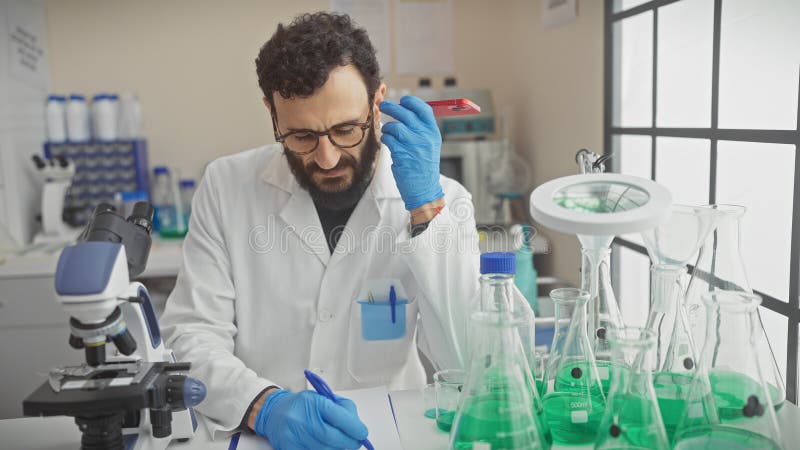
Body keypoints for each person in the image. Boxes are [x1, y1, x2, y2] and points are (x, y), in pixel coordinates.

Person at [160, 11, 480, 449]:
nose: (327, 158)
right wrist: (262, 406)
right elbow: (191, 335)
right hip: (262, 436)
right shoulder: (227, 185)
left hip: (387, 435)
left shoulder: (444, 200)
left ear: (377, 101)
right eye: (302, 136)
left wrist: (425, 211)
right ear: (272, 114)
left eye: (346, 129)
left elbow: (467, 364)